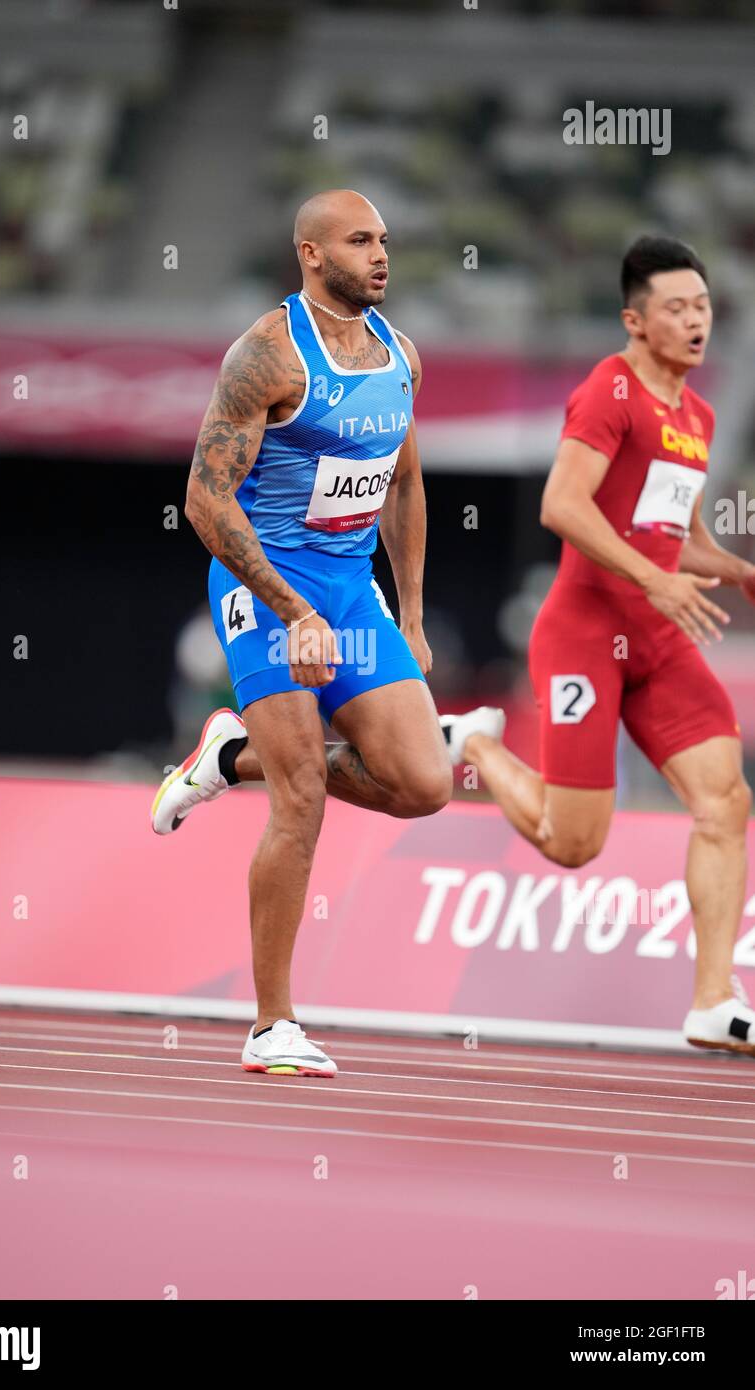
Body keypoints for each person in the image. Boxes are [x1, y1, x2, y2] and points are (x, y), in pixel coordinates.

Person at [151, 189, 451, 1076]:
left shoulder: (402, 358)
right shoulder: (267, 357)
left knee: (424, 781)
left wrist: (415, 611)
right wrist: (294, 612)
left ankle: (226, 757)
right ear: (312, 255)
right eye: (360, 241)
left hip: (354, 596)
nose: (381, 255)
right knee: (304, 795)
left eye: (386, 240)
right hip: (265, 589)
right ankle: (271, 1024)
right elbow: (204, 500)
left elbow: (400, 486)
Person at [444, 236, 755, 1057]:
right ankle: (472, 739)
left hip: (660, 638)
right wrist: (652, 581)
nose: (696, 322)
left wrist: (730, 565)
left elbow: (669, 534)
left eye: (703, 307)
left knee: (726, 802)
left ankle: (713, 1001)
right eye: (676, 310)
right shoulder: (607, 391)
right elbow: (563, 505)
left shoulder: (699, 412)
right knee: (574, 844)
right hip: (586, 634)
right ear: (634, 320)